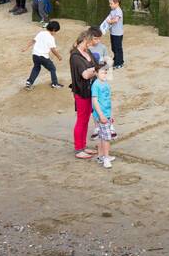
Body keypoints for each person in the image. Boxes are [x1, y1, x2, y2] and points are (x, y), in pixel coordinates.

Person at [69, 30, 99, 159]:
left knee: (86, 119)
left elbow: (94, 67)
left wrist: (96, 68)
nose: (93, 44)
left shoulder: (87, 52)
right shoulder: (75, 56)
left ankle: (83, 146)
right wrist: (96, 69)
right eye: (91, 41)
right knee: (81, 120)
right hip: (81, 91)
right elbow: (85, 75)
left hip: (90, 90)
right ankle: (78, 148)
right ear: (85, 40)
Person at [24, 20, 63, 89]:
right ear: (53, 30)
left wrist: (26, 47)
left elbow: (33, 41)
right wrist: (59, 56)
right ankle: (55, 83)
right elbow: (53, 49)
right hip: (43, 57)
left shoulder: (41, 33)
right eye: (56, 31)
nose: (56, 33)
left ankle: (29, 82)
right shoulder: (51, 38)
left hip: (35, 55)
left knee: (36, 67)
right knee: (52, 68)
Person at [92, 63, 116, 169]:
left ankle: (101, 156)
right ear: (96, 73)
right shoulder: (96, 85)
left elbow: (108, 100)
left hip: (107, 114)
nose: (104, 74)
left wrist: (111, 115)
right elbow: (95, 101)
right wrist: (101, 115)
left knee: (103, 136)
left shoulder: (105, 83)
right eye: (102, 72)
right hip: (101, 115)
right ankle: (106, 158)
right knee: (106, 138)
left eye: (105, 72)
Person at [100, 0, 124, 68]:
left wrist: (110, 21)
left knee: (117, 48)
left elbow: (116, 20)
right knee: (113, 47)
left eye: (111, 3)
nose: (110, 5)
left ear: (117, 3)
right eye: (109, 3)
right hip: (113, 33)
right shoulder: (112, 11)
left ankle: (119, 63)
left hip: (118, 33)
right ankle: (116, 59)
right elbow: (108, 18)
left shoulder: (118, 11)